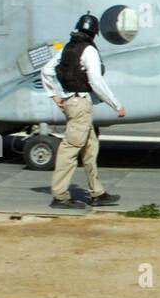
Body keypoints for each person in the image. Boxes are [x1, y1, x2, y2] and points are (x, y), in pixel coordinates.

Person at [40, 12, 125, 210]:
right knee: (70, 149)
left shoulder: (67, 48)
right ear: (95, 33)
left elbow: (46, 71)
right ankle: (60, 196)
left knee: (90, 149)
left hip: (71, 101)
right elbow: (96, 80)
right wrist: (116, 105)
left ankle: (97, 193)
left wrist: (55, 95)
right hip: (81, 104)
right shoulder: (89, 51)